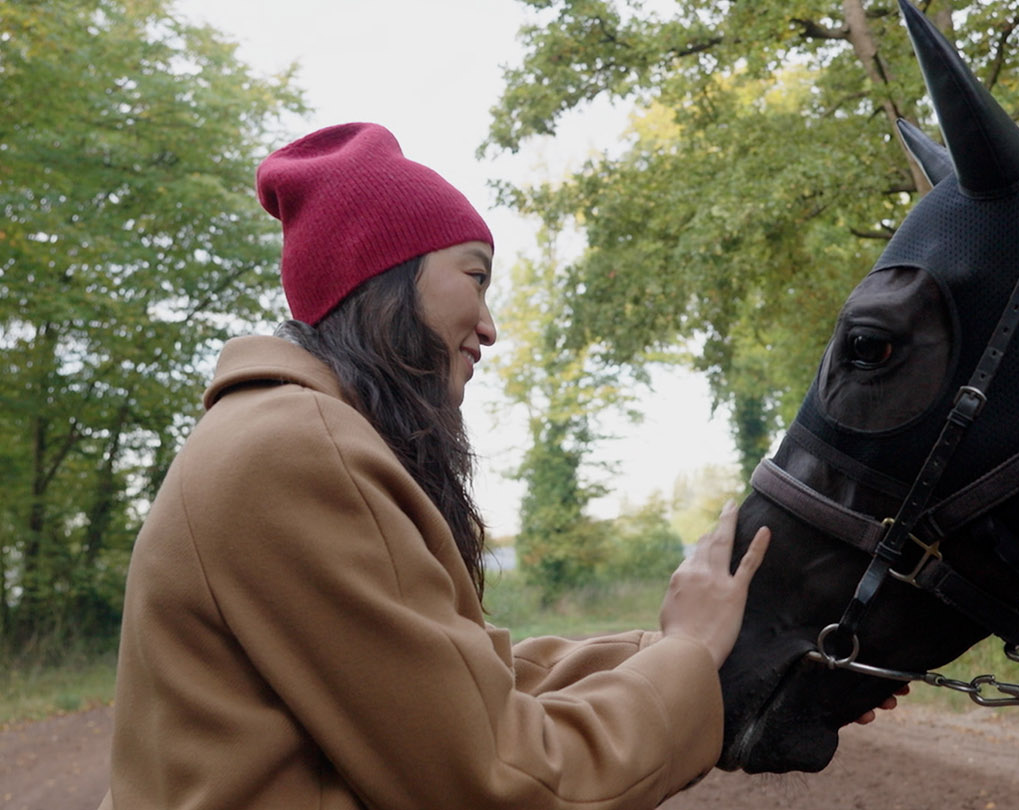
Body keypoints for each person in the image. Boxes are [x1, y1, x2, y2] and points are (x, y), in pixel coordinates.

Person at [99, 122, 775, 810]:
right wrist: (688, 655)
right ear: (385, 277)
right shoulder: (299, 451)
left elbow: (467, 677)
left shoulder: (285, 435)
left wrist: (720, 650)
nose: (489, 326)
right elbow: (496, 778)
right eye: (476, 277)